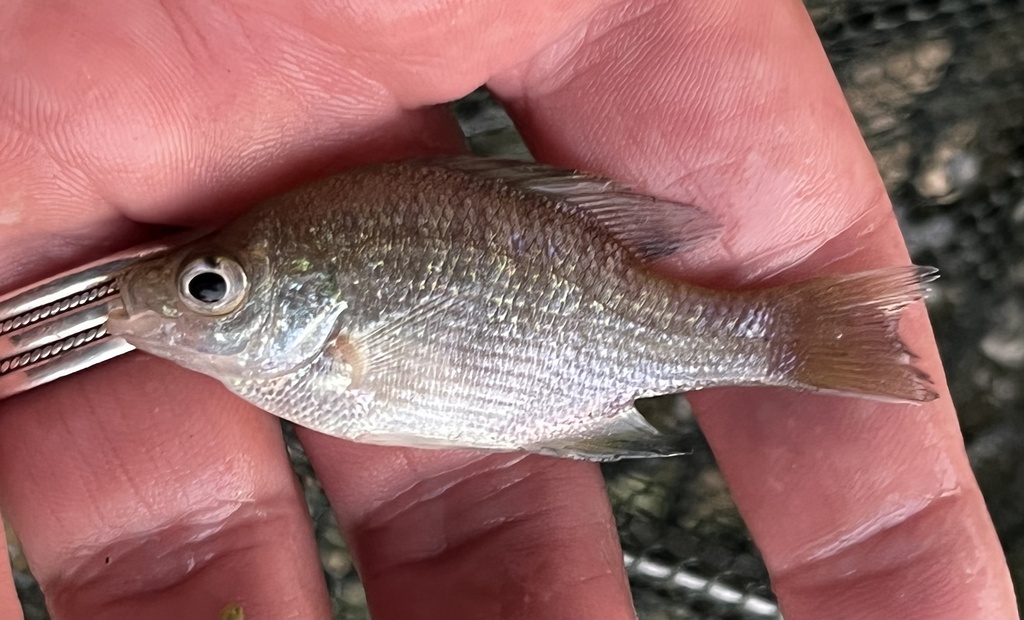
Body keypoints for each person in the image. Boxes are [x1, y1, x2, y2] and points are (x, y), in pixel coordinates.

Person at [0, 1, 1015, 618]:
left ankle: (788, 335)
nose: (183, 296)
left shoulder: (309, 324)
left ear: (310, 298)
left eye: (209, 286)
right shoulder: (285, 312)